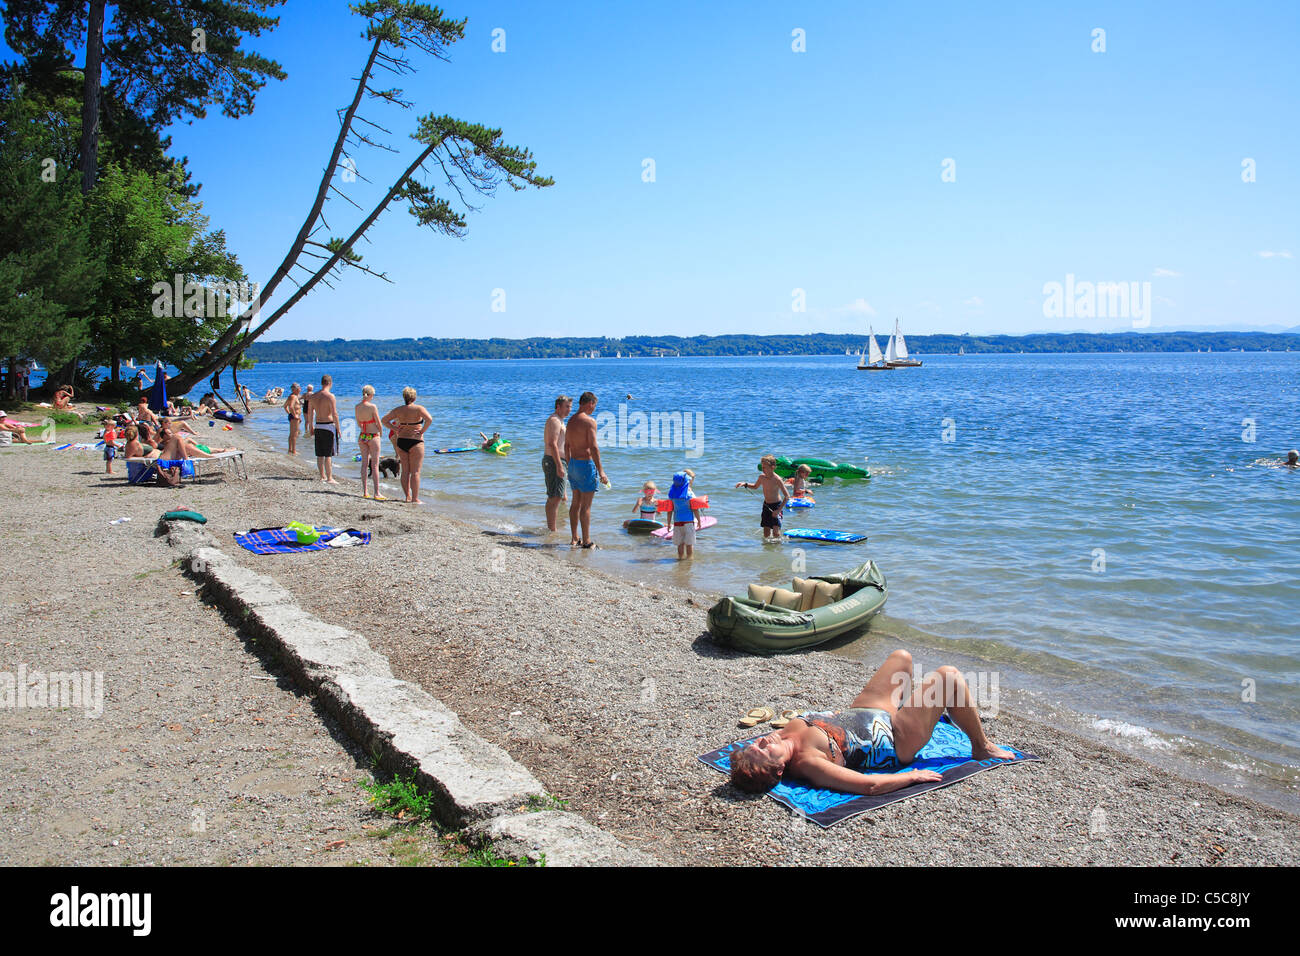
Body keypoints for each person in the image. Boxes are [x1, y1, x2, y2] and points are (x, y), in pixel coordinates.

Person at [729, 649, 1015, 795]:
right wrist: (911, 776)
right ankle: (982, 746)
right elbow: (868, 786)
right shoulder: (808, 762)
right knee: (948, 676)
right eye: (765, 751)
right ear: (780, 770)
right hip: (893, 739)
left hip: (865, 713)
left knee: (901, 658)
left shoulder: (783, 737)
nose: (764, 740)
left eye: (757, 743)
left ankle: (925, 710)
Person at [565, 391, 608, 548]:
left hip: (573, 465)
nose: (594, 409)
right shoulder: (589, 421)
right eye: (594, 406)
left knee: (575, 503)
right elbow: (594, 447)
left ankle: (574, 537)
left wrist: (570, 464)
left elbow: (566, 445)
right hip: (585, 465)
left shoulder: (571, 420)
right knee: (586, 506)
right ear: (590, 403)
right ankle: (587, 540)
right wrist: (601, 471)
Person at [381, 387, 433, 504]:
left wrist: (395, 429)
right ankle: (415, 498)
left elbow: (384, 420)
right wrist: (422, 431)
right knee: (415, 472)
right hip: (416, 441)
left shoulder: (398, 410)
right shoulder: (419, 408)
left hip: (402, 440)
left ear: (404, 397)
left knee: (405, 471)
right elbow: (429, 419)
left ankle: (407, 497)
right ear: (414, 397)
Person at [735, 454, 789, 539]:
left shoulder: (777, 479)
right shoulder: (761, 477)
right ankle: (767, 549)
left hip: (776, 506)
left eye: (765, 467)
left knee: (776, 533)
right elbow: (755, 486)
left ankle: (778, 549)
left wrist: (778, 510)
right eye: (762, 467)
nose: (763, 469)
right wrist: (745, 484)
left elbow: (787, 496)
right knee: (766, 533)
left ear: (773, 467)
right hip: (766, 505)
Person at [304, 374, 340, 484]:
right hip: (328, 425)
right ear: (330, 383)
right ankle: (329, 478)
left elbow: (310, 413)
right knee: (328, 454)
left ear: (321, 383)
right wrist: (338, 428)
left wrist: (311, 426)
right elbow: (334, 414)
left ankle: (322, 476)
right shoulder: (330, 396)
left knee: (319, 453)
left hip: (318, 425)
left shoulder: (313, 396)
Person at [543, 395, 571, 532]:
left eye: (570, 407)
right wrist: (559, 465)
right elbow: (552, 444)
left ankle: (553, 528)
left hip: (558, 461)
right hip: (554, 461)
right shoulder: (555, 420)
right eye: (567, 407)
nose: (569, 410)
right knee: (554, 498)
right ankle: (552, 530)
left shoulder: (560, 420)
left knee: (558, 496)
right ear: (558, 406)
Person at [355, 385, 386, 500]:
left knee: (364, 463)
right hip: (373, 435)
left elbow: (359, 423)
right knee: (375, 464)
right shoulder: (373, 407)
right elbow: (378, 422)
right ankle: (377, 492)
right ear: (371, 395)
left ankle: (365, 491)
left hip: (362, 435)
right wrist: (381, 433)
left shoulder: (357, 407)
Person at [666, 469, 703, 560]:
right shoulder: (689, 494)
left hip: (677, 522)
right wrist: (698, 520)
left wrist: (668, 523)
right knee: (689, 544)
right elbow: (695, 509)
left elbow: (669, 510)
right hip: (689, 522)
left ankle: (680, 559)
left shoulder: (672, 495)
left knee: (680, 544)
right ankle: (689, 560)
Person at [283, 384, 302, 455]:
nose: (300, 389)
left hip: (292, 416)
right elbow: (290, 407)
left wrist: (290, 414)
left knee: (292, 434)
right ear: (296, 389)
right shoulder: (293, 397)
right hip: (294, 417)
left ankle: (290, 449)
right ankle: (293, 450)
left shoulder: (291, 396)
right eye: (299, 388)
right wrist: (295, 415)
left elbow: (285, 406)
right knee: (295, 434)